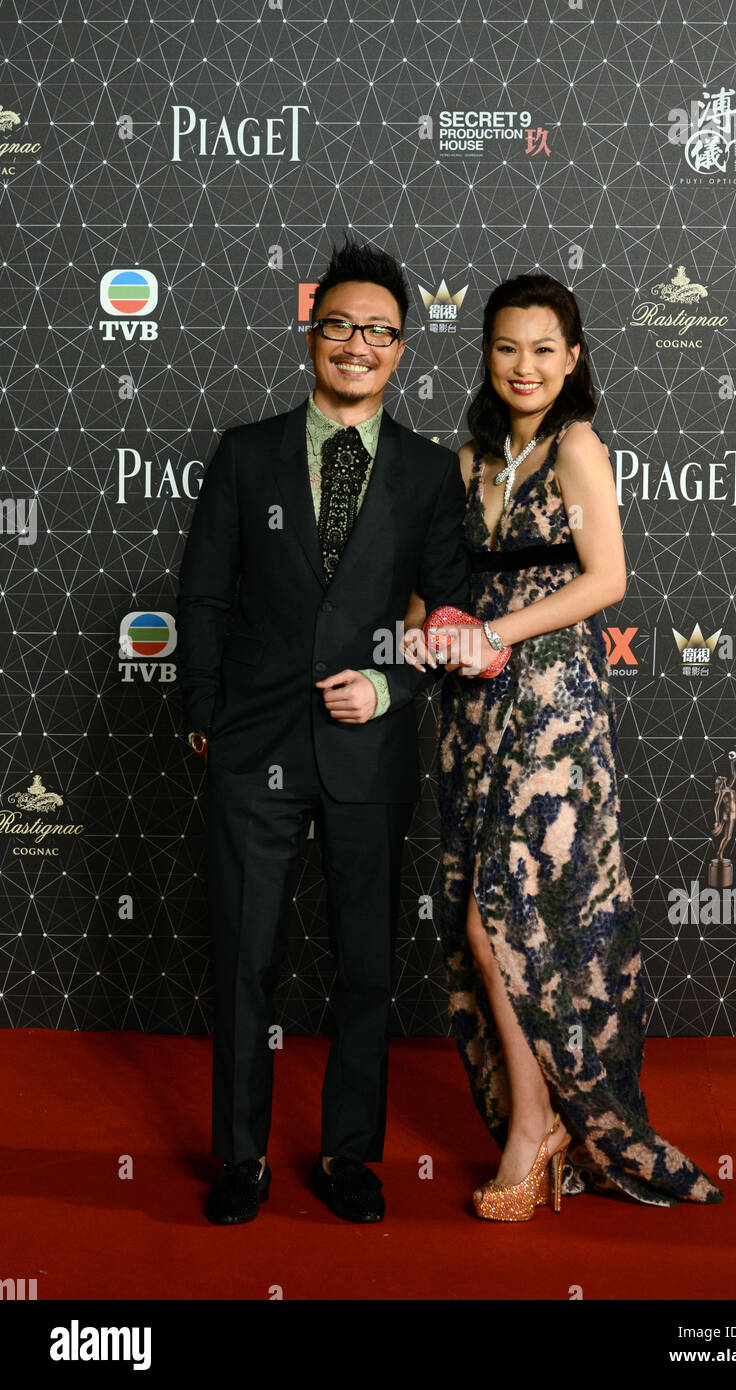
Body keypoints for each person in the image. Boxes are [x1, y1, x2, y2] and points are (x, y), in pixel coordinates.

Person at [403, 274, 724, 1217]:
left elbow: (607, 578)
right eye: (508, 347)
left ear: (573, 357)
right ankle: (535, 1121)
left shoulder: (577, 446)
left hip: (553, 705)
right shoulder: (467, 461)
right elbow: (438, 579)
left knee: (502, 917)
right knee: (480, 915)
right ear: (486, 353)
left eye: (545, 349)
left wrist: (496, 632)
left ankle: (537, 1128)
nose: (525, 366)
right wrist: (423, 631)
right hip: (472, 709)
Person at [177, 236, 469, 1225]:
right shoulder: (246, 452)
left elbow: (453, 614)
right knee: (242, 958)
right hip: (251, 742)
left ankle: (348, 1153)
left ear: (400, 350)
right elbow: (204, 596)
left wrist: (387, 686)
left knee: (366, 964)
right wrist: (203, 716)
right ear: (311, 333)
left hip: (368, 751)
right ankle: (241, 1156)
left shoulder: (429, 473)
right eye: (339, 325)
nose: (356, 344)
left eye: (378, 331)